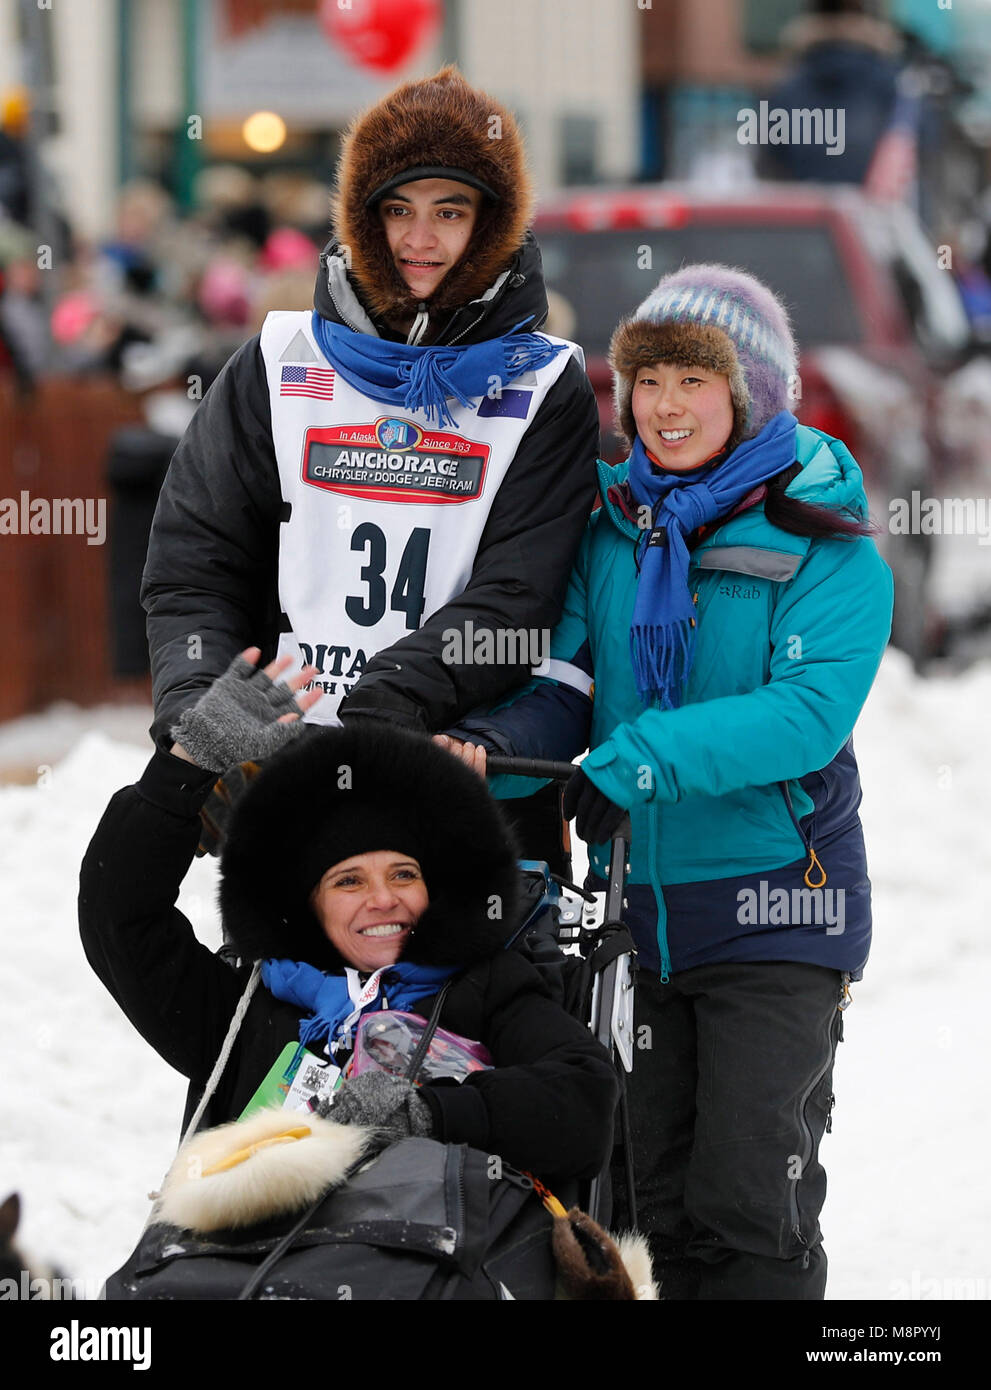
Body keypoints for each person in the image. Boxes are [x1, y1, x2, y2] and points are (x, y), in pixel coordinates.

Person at [440, 263, 895, 1299]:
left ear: (753, 394)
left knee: (750, 1202)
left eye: (694, 378)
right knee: (658, 1205)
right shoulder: (613, 530)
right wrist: (476, 753)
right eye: (646, 379)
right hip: (642, 918)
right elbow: (564, 683)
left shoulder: (828, 549)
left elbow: (802, 719)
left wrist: (638, 760)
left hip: (779, 907)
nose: (664, 405)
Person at [140, 66, 599, 765]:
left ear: (489, 224)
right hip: (275, 761)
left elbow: (521, 594)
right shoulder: (278, 357)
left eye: (449, 212)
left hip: (459, 765)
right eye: (397, 209)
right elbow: (197, 561)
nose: (419, 239)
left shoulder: (542, 382)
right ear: (363, 215)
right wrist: (202, 707)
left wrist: (395, 695)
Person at [77, 652, 618, 1187]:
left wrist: (431, 1112)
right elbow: (120, 916)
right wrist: (186, 764)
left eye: (404, 874)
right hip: (249, 1262)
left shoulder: (484, 985)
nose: (383, 900)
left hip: (423, 1258)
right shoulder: (251, 1004)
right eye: (349, 881)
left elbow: (582, 1101)